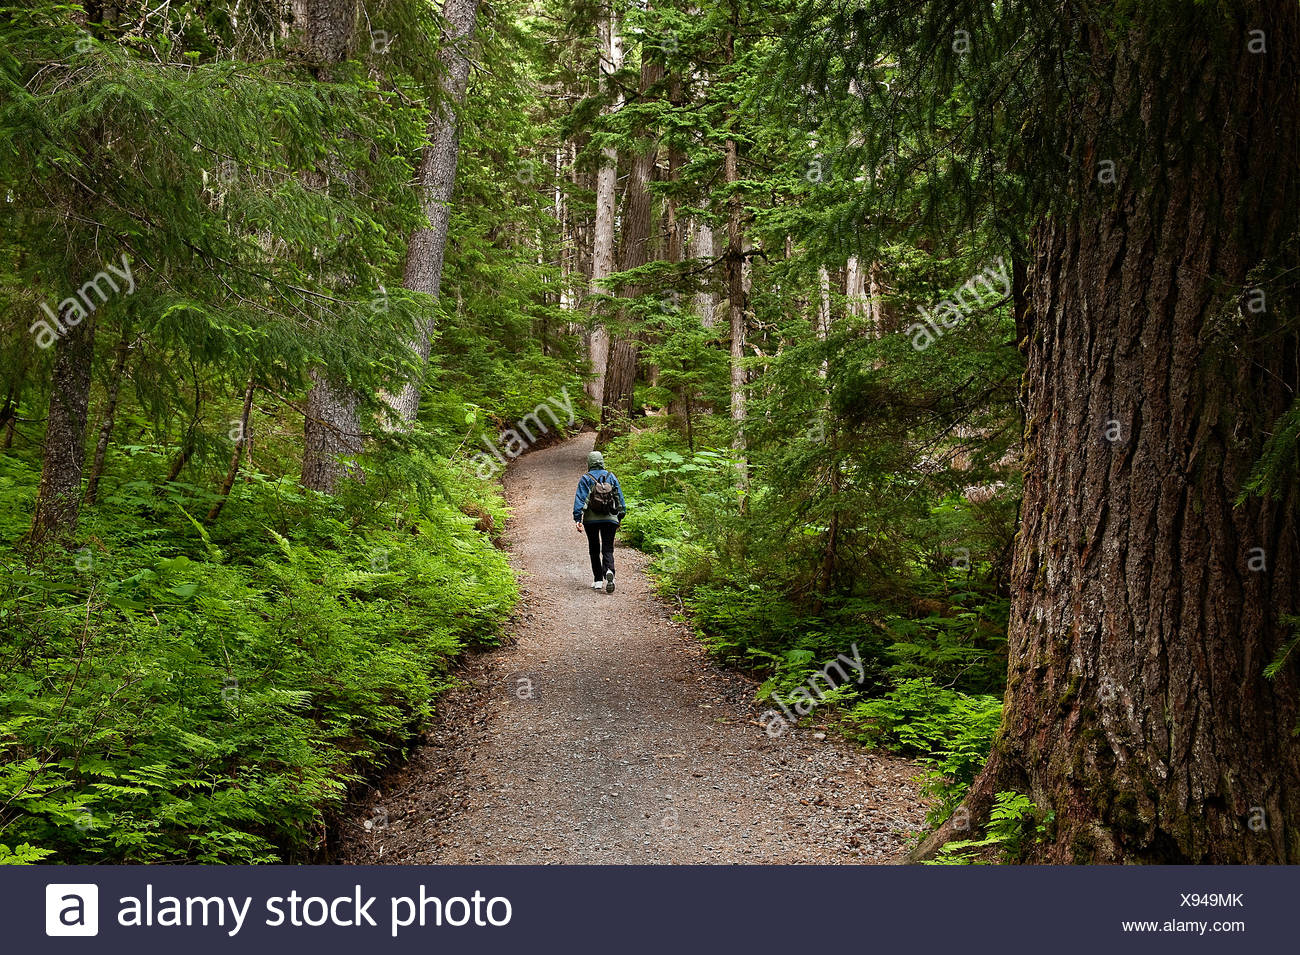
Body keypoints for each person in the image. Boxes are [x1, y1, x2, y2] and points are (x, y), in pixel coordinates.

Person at [572, 450, 626, 593]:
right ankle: (609, 572)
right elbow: (619, 498)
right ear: (602, 461)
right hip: (610, 519)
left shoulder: (586, 478)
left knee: (594, 548)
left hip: (591, 520)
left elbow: (580, 499)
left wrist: (578, 518)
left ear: (589, 463)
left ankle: (597, 580)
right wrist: (620, 516)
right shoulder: (611, 476)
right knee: (607, 548)